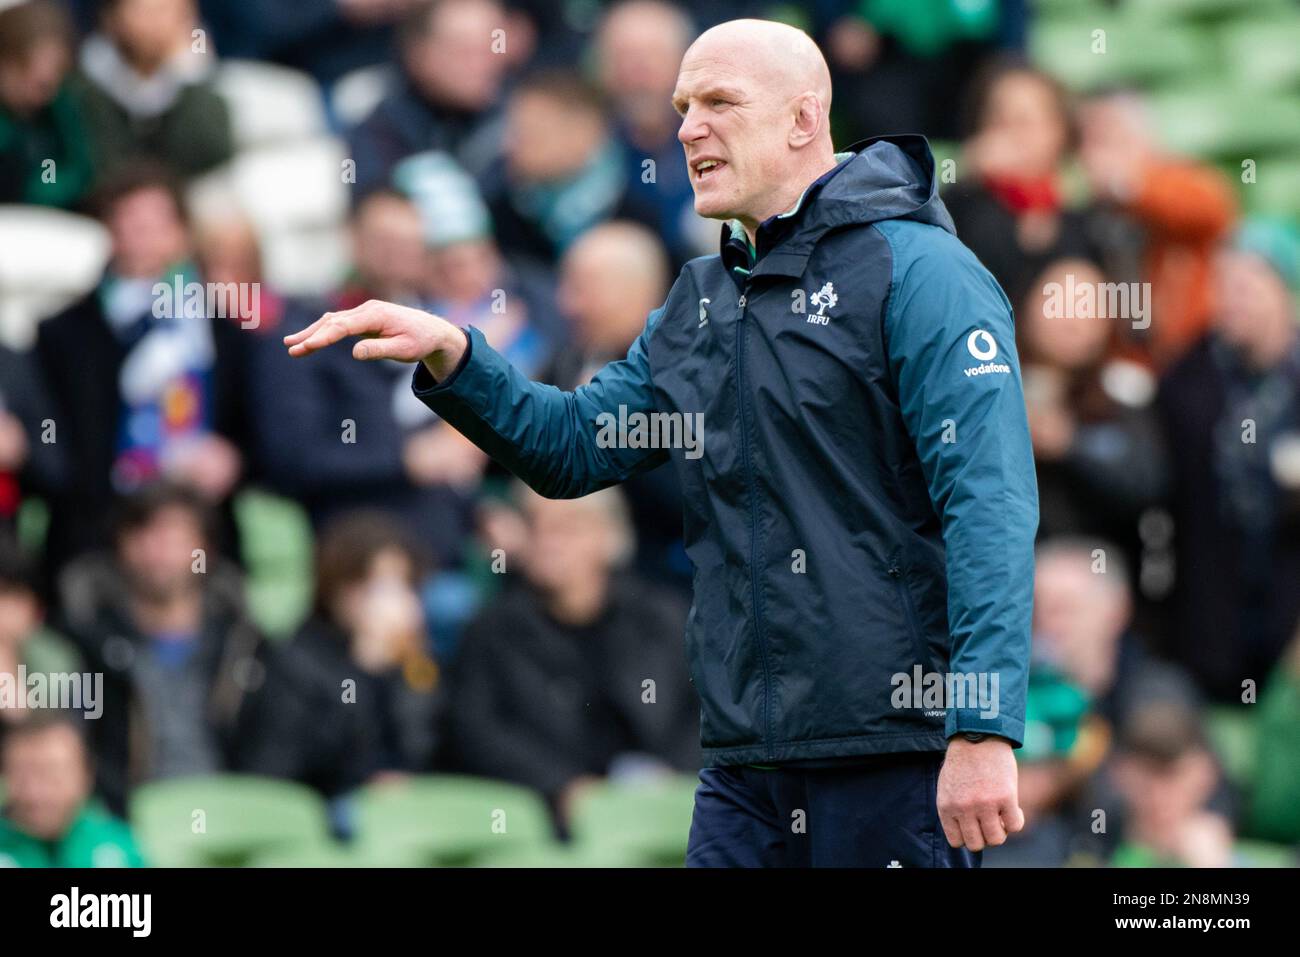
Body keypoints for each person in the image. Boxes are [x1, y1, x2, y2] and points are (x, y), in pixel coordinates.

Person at [285, 18, 1039, 867]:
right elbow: (571, 447)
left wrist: (982, 725)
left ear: (802, 119)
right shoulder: (704, 301)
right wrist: (456, 357)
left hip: (894, 752)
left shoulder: (924, 272)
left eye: (719, 101)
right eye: (682, 106)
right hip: (743, 762)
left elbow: (991, 504)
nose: (687, 127)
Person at [445, 484, 699, 832]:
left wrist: (671, 773)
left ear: (610, 538)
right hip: (546, 820)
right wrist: (561, 786)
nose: (549, 542)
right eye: (535, 526)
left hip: (669, 807)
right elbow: (477, 730)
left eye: (567, 528)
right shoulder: (491, 630)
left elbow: (705, 710)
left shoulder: (662, 618)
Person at [55, 482, 265, 815]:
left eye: (175, 538)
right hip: (126, 822)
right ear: (120, 546)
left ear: (205, 549)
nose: (158, 552)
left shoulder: (247, 645)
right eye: (143, 534)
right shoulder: (86, 646)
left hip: (234, 816)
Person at [239, 511, 441, 799]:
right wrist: (361, 672)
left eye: (399, 585)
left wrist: (410, 669)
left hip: (400, 814)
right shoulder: (294, 658)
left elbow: (422, 747)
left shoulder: (413, 659)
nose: (387, 601)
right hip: (319, 811)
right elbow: (282, 768)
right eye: (373, 585)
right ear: (338, 586)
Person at [0, 711, 145, 868]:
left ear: (86, 773)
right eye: (22, 777)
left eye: (51, 776)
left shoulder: (120, 847)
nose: (35, 793)